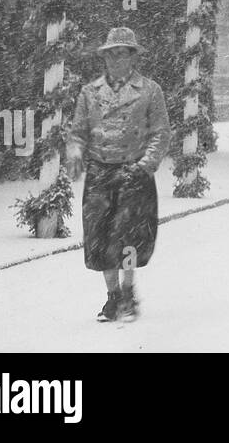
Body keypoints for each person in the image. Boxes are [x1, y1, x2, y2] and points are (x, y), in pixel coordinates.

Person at [66, 27, 171, 324]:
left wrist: (145, 164)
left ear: (133, 58)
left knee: (127, 238)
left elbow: (160, 133)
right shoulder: (90, 92)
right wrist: (75, 153)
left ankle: (128, 290)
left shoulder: (150, 91)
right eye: (111, 55)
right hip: (100, 172)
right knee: (99, 238)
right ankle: (112, 296)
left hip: (133, 172)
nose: (116, 60)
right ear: (104, 58)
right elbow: (78, 133)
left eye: (122, 54)